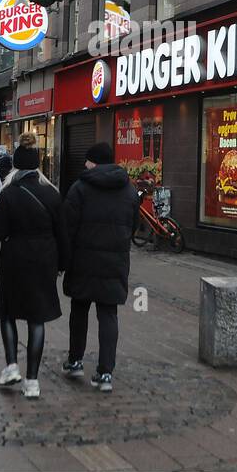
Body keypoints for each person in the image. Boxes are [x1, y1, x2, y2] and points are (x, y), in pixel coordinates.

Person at [0, 134, 68, 400]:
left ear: (16, 167)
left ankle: (11, 366)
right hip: (44, 260)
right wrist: (63, 264)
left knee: (8, 314)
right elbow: (62, 233)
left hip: (14, 260)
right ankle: (32, 381)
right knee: (37, 319)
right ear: (38, 167)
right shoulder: (52, 194)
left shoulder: (9, 193)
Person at [62, 142, 137, 393]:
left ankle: (75, 361)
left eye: (88, 160)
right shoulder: (128, 189)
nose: (84, 164)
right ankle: (105, 372)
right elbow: (133, 226)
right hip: (114, 262)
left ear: (94, 162)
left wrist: (63, 259)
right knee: (108, 314)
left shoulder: (80, 188)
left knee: (79, 311)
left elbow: (67, 227)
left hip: (82, 260)